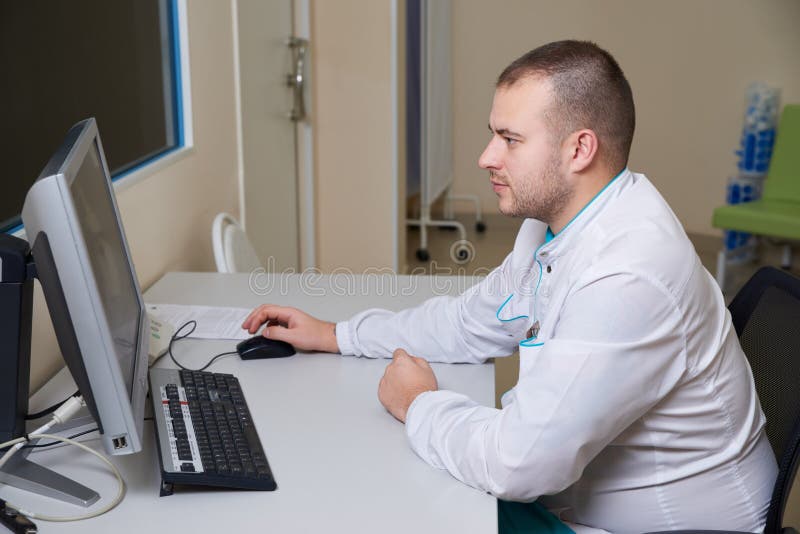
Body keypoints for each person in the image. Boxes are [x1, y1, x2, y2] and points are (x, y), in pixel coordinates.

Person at [242, 40, 777, 532]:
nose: (486, 157)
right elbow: (469, 324)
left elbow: (519, 463)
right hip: (581, 494)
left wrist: (420, 404)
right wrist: (337, 334)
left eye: (510, 139)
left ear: (579, 149)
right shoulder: (554, 226)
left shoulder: (629, 273)